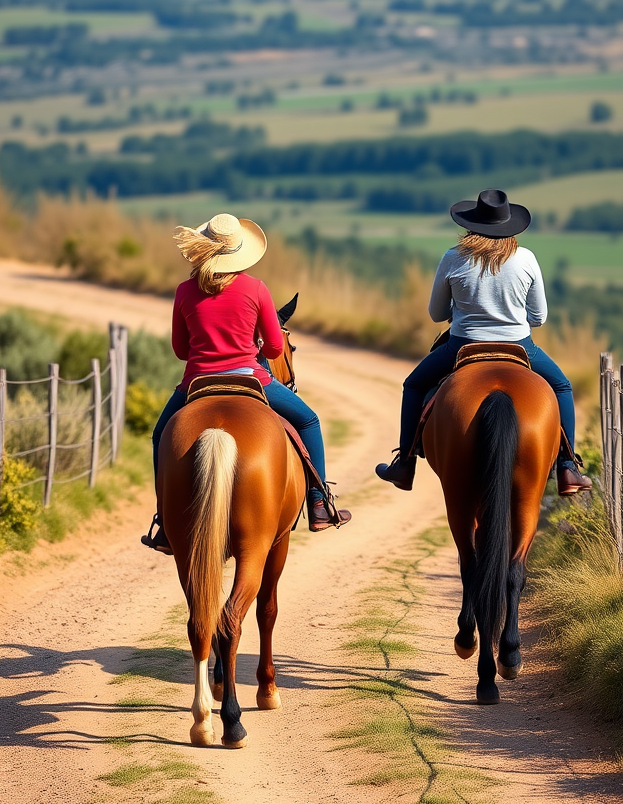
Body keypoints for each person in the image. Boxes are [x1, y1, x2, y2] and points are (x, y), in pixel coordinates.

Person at [142, 213, 351, 552]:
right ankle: (318, 504)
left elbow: (181, 351)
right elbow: (272, 347)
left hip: (196, 383)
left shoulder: (184, 291)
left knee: (159, 435)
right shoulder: (255, 288)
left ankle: (165, 521)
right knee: (309, 420)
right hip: (251, 378)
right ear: (239, 252)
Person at [375, 189, 592, 497]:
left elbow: (437, 314)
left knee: (413, 385)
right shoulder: (526, 258)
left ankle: (405, 463)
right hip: (520, 346)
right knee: (562, 387)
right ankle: (568, 468)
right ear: (509, 227)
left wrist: (467, 309)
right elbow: (539, 316)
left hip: (461, 346)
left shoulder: (452, 257)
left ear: (472, 225)